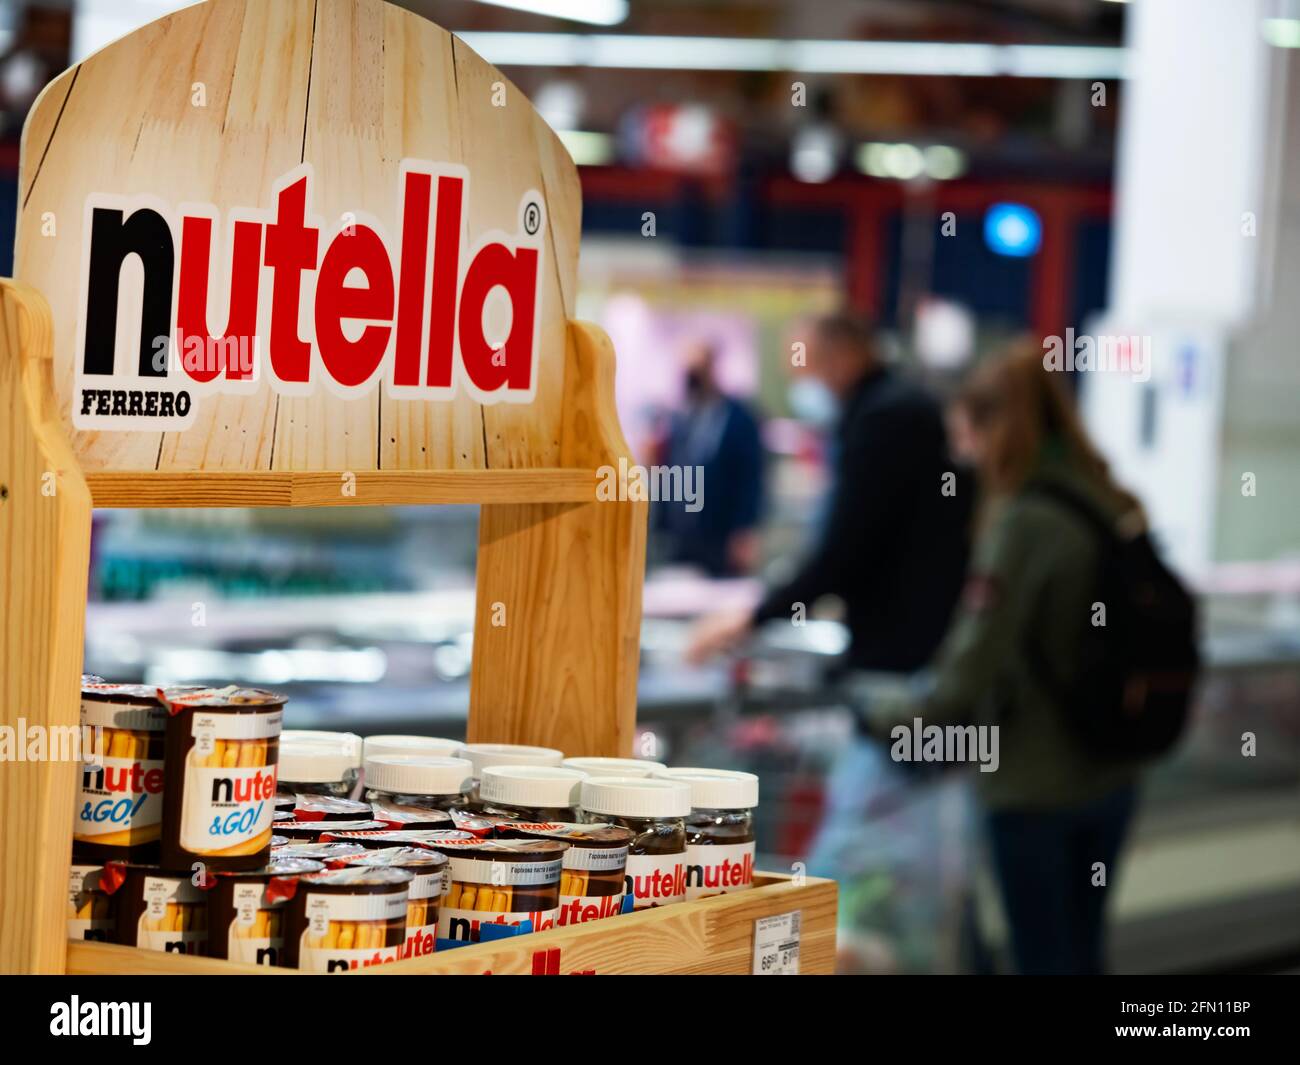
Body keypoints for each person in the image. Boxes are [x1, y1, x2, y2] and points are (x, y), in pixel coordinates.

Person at [861, 342, 1148, 974]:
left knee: (1040, 959)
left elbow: (965, 678)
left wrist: (881, 714)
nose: (959, 458)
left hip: (1034, 787)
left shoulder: (1023, 525)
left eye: (964, 437)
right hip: (1115, 771)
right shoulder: (1110, 500)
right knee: (1082, 953)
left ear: (996, 429)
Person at [686, 312, 969, 671]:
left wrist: (754, 618)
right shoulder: (884, 410)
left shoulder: (886, 419)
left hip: (904, 644)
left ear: (845, 356)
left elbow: (846, 548)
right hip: (906, 631)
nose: (803, 384)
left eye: (808, 368)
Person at [654, 342, 764, 577]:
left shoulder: (738, 417)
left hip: (721, 533)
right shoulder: (681, 416)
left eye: (697, 370)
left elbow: (751, 476)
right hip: (682, 532)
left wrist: (744, 529)